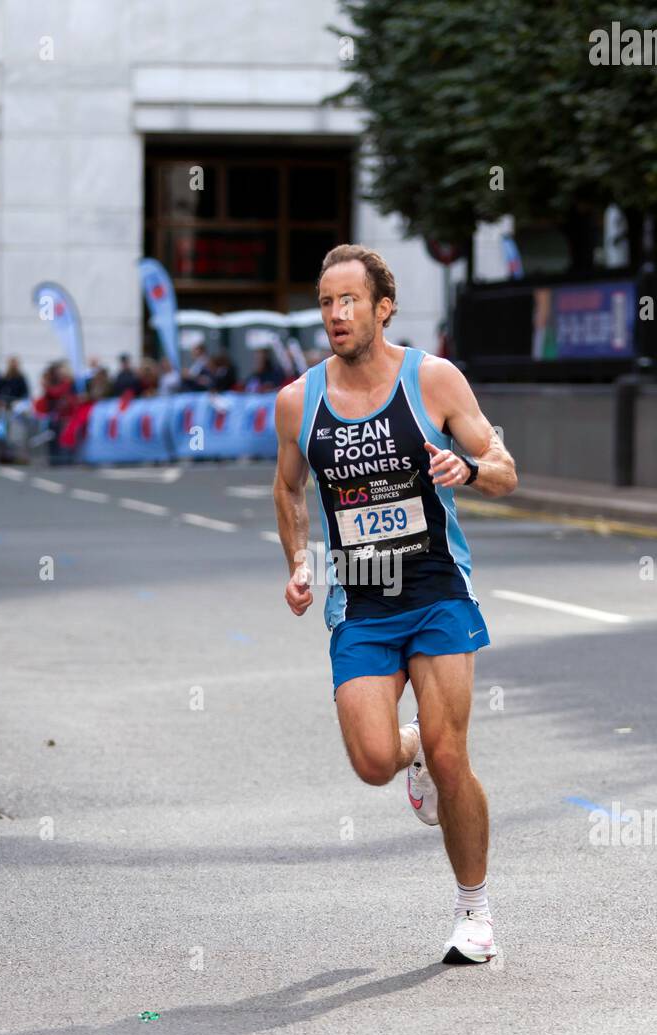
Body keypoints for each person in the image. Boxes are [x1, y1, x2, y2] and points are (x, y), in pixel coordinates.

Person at [272, 244, 518, 965]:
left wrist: (467, 468)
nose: (336, 314)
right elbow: (287, 489)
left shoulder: (433, 380)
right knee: (375, 760)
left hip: (437, 585)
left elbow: (506, 469)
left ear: (383, 308)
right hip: (361, 600)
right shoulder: (298, 401)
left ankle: (474, 910)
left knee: (452, 754)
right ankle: (407, 748)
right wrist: (297, 560)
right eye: (325, 302)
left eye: (349, 300)